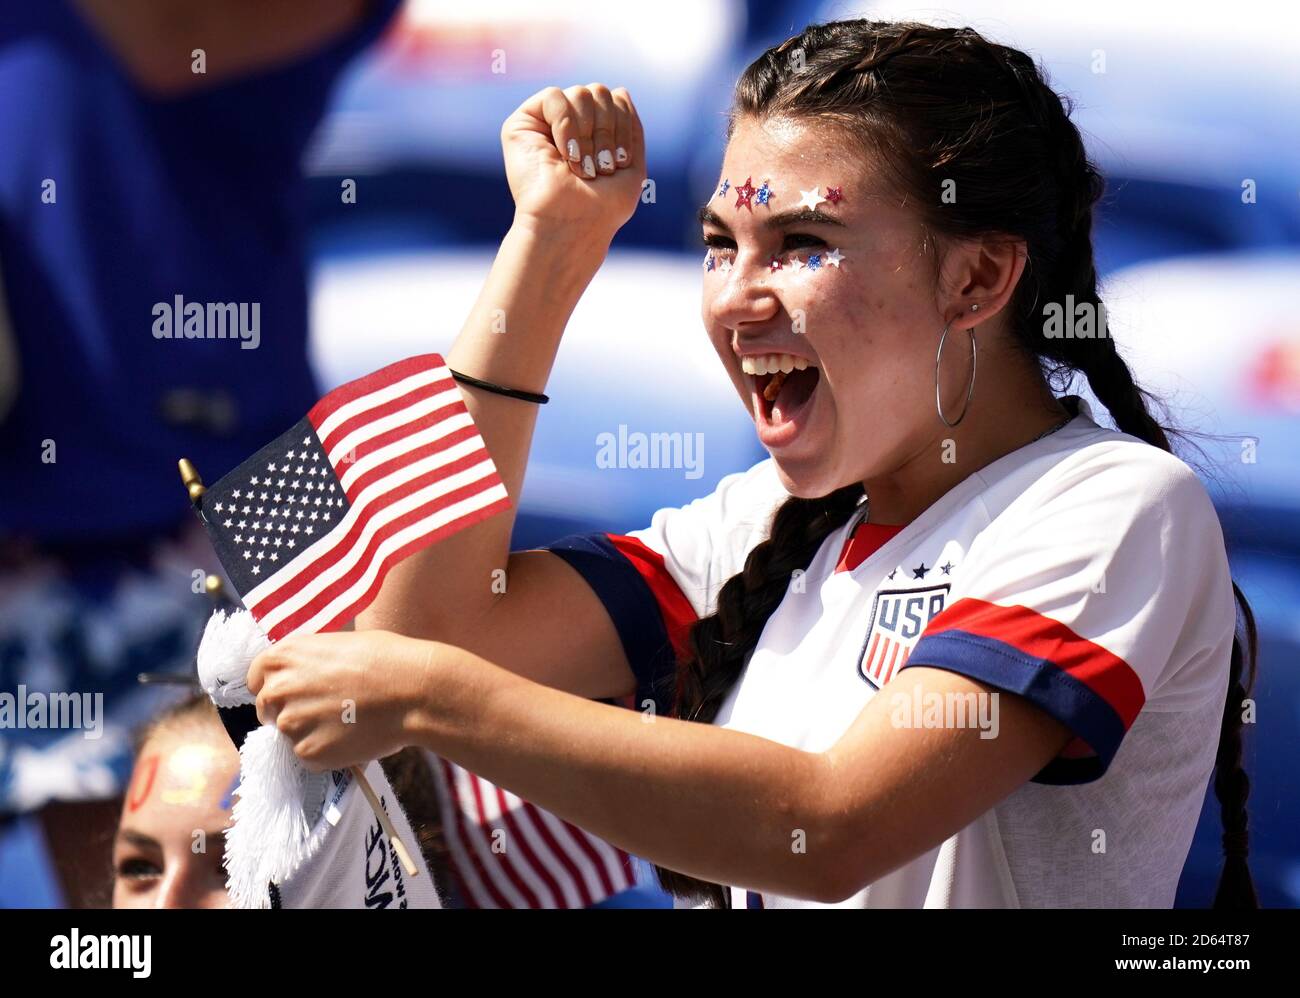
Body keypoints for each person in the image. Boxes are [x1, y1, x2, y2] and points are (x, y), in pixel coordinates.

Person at [244, 20, 1258, 908]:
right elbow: (434, 627)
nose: (734, 296)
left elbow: (830, 830)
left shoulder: (1118, 504)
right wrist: (551, 246)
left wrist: (435, 696)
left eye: (801, 240)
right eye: (719, 243)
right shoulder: (764, 518)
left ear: (979, 276)